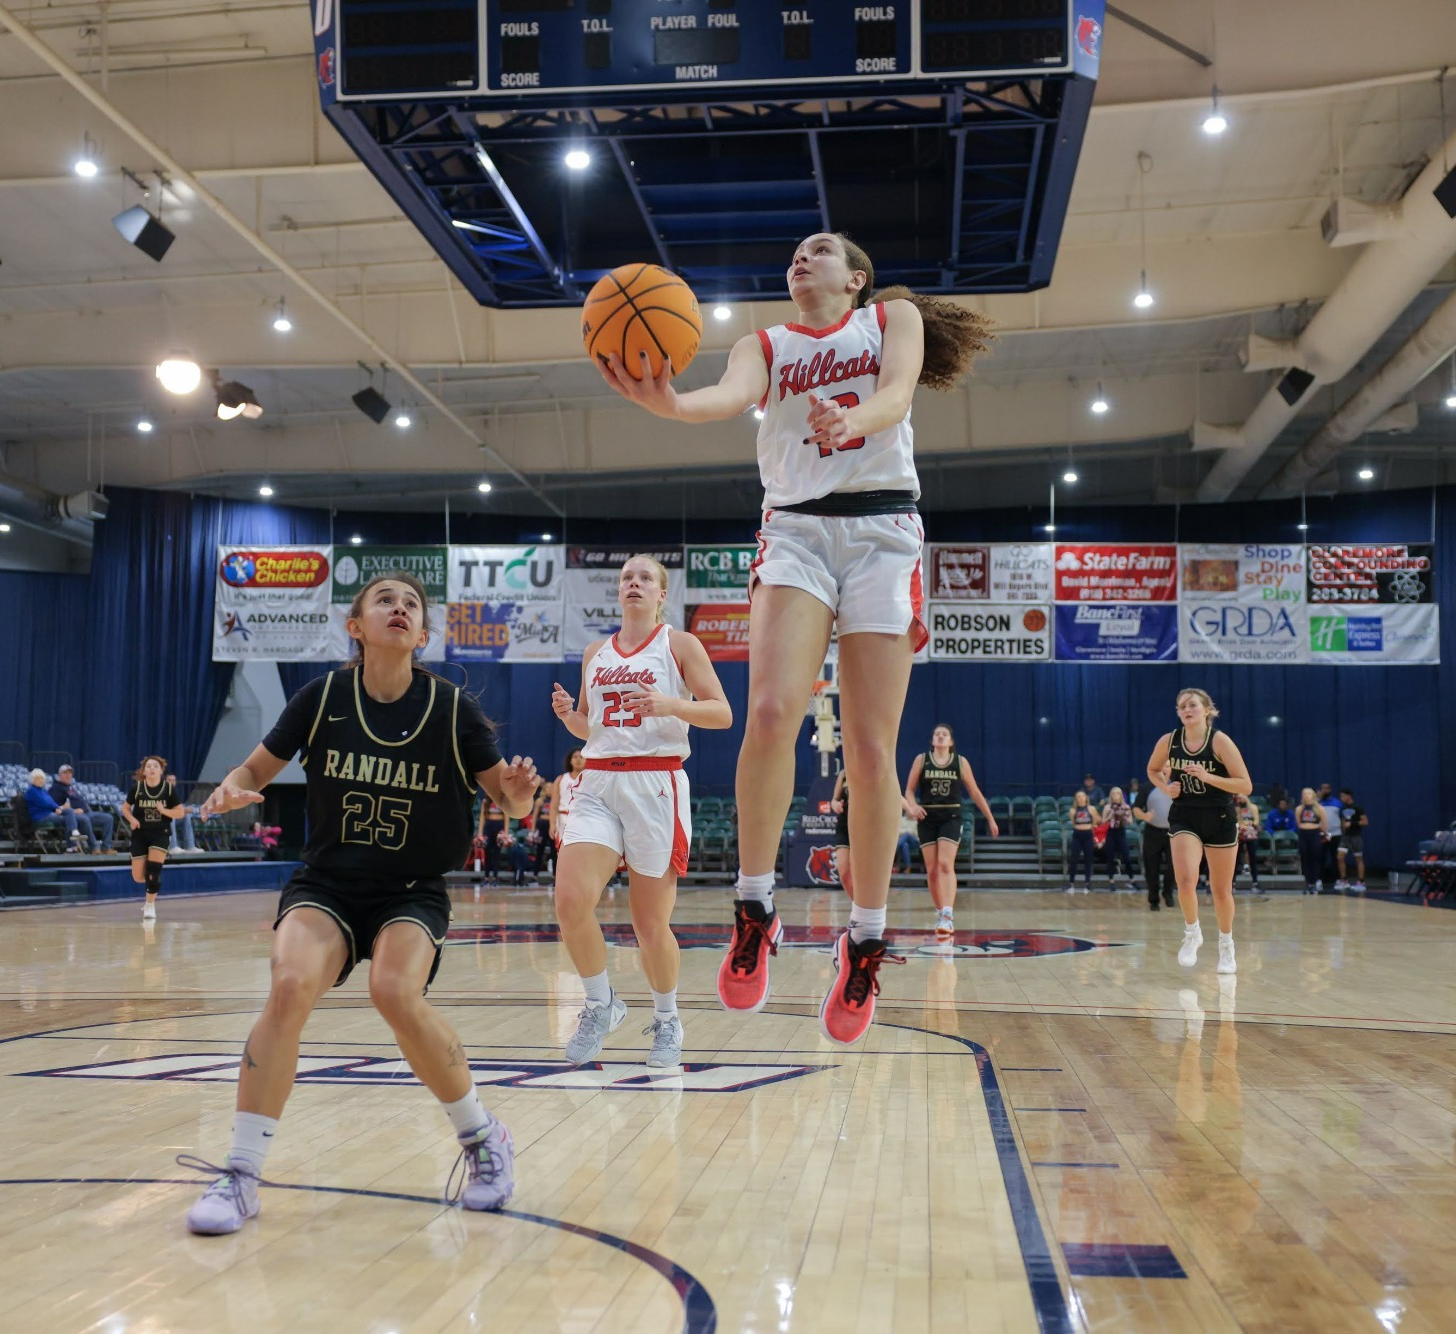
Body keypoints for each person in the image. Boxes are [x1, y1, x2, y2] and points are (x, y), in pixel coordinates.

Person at [600, 230, 993, 1044]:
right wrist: (671, 404)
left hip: (883, 528)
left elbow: (895, 399)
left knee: (873, 751)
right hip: (797, 534)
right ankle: (755, 909)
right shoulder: (764, 344)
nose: (800, 256)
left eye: (821, 249)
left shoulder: (894, 319)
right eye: (795, 252)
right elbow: (722, 393)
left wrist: (850, 421)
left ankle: (866, 936)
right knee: (773, 714)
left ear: (857, 275)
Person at [182, 571, 540, 1232]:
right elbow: (255, 769)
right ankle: (240, 1174)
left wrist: (520, 791)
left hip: (411, 888)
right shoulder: (322, 699)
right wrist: (233, 788)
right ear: (356, 627)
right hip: (329, 884)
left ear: (424, 634)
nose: (399, 608)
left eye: (411, 604)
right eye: (384, 600)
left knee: (394, 992)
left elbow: (510, 802)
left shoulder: (451, 710)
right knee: (289, 986)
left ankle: (484, 1137)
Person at [549, 556, 732, 1067]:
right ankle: (600, 1003)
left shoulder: (680, 645)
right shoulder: (595, 651)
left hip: (656, 782)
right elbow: (592, 729)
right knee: (569, 900)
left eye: (644, 578)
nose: (633, 583)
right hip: (599, 780)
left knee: (649, 925)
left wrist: (672, 705)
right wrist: (571, 717)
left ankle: (668, 1019)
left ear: (661, 595)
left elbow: (722, 713)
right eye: (626, 577)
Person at [1147, 689, 1254, 975]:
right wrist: (1165, 787)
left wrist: (1208, 777)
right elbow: (1153, 769)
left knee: (1220, 890)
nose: (1186, 710)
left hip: (1219, 817)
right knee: (1185, 880)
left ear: (1207, 709)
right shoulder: (1169, 741)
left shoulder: (1220, 741)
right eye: (1181, 706)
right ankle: (1192, 932)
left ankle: (1226, 945)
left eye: (1192, 705)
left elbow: (1245, 785)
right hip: (1185, 816)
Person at [905, 725, 1000, 931]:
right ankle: (941, 912)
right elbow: (909, 791)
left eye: (944, 734)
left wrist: (990, 818)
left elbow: (974, 792)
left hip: (951, 816)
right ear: (932, 740)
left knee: (945, 864)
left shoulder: (960, 762)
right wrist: (912, 806)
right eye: (936, 734)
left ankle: (948, 914)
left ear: (951, 742)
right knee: (931, 871)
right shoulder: (921, 760)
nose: (940, 736)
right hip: (927, 817)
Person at [121, 757, 187, 921]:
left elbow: (180, 813)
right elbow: (125, 808)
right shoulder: (137, 788)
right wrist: (132, 819)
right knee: (138, 877)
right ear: (144, 771)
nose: (151, 768)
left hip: (160, 833)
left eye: (155, 766)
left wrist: (164, 811)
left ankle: (150, 904)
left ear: (161, 770)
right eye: (148, 766)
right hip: (140, 834)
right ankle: (153, 882)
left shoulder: (169, 789)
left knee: (153, 870)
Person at [50, 763, 113, 853]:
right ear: (59, 775)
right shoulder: (55, 789)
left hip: (86, 813)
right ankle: (94, 847)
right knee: (84, 819)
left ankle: (106, 847)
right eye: (65, 773)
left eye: (70, 773)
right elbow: (55, 808)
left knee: (108, 818)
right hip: (72, 817)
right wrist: (74, 811)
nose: (68, 776)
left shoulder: (69, 787)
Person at [1140, 781, 1174, 911]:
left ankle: (1168, 892)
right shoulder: (1147, 787)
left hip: (1173, 832)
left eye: (1167, 765)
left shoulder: (1178, 785)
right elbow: (1136, 807)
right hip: (1152, 832)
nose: (1164, 768)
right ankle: (1154, 899)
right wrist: (1144, 816)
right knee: (1151, 868)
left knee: (1174, 866)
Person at [1063, 789, 1101, 893]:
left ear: (1086, 797)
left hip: (1088, 835)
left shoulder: (1091, 808)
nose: (1080, 798)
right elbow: (1073, 822)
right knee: (1073, 859)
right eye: (1078, 796)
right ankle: (1071, 884)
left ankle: (1087, 883)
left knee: (1088, 859)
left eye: (1082, 796)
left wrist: (1090, 826)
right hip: (1077, 835)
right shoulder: (1073, 810)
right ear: (1076, 799)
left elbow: (1097, 820)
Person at [1102, 786, 1136, 888]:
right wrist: (1110, 815)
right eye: (1114, 793)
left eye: (1118, 793)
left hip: (1121, 832)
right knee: (1110, 857)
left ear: (1121, 795)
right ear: (1111, 795)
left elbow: (1130, 822)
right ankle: (1111, 881)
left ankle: (1132, 880)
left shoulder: (1126, 806)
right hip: (1111, 833)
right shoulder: (1107, 807)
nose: (1116, 795)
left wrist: (1124, 816)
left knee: (1127, 857)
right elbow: (1102, 822)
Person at [829, 764, 855, 897]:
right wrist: (835, 805)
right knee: (844, 873)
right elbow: (834, 800)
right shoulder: (844, 773)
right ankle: (858, 909)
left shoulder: (875, 768)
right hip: (844, 825)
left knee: (862, 875)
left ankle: (866, 911)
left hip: (865, 827)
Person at [1335, 788, 1368, 891]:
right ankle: (1344, 881)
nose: (1341, 798)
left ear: (1348, 796)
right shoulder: (1343, 808)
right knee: (1340, 857)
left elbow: (1365, 822)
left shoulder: (1358, 808)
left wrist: (1352, 824)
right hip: (1346, 837)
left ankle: (1361, 882)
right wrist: (1343, 827)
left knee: (1358, 859)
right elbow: (1343, 822)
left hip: (1356, 836)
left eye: (1343, 796)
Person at [1295, 788, 1326, 893]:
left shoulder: (1319, 808)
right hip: (1303, 834)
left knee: (1315, 859)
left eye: (1309, 793)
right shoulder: (1299, 809)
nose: (1307, 795)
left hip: (1315, 834)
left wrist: (1319, 830)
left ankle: (1316, 881)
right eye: (1304, 794)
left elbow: (1324, 825)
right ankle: (1308, 883)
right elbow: (1298, 824)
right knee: (1305, 859)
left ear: (1313, 795)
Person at [22, 769, 66, 841]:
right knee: (67, 819)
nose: (41, 780)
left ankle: (73, 840)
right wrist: (57, 808)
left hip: (48, 814)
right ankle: (71, 843)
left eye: (42, 778)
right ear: (33, 780)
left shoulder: (43, 790)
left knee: (70, 813)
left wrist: (57, 808)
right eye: (38, 778)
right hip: (40, 816)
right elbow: (45, 803)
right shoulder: (31, 791)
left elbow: (51, 802)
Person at [1234, 794, 1263, 893]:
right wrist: (1245, 825)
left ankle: (1255, 882)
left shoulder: (1253, 807)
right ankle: (1232, 883)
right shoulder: (1237, 808)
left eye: (1242, 796)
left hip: (1252, 834)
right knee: (1236, 859)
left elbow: (1256, 821)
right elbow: (1238, 821)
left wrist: (1249, 825)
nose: (1240, 799)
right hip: (1241, 833)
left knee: (1253, 858)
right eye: (1238, 798)